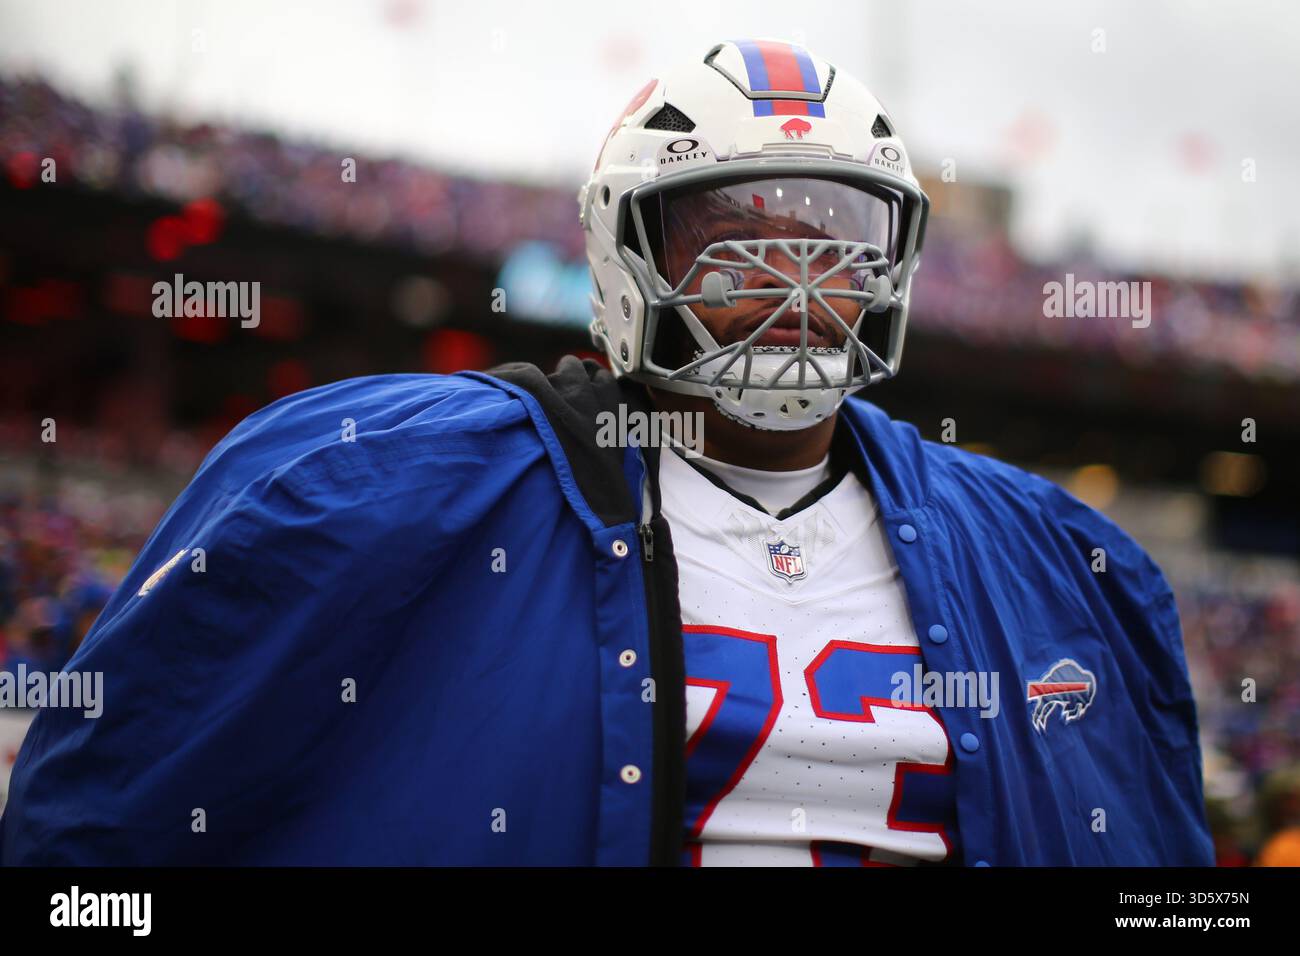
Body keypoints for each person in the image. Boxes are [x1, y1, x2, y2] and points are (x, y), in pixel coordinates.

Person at [0, 39, 1212, 866]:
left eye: (836, 240)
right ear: (628, 257)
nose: (794, 283)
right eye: (736, 239)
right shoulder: (386, 483)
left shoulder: (1052, 560)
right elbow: (96, 826)